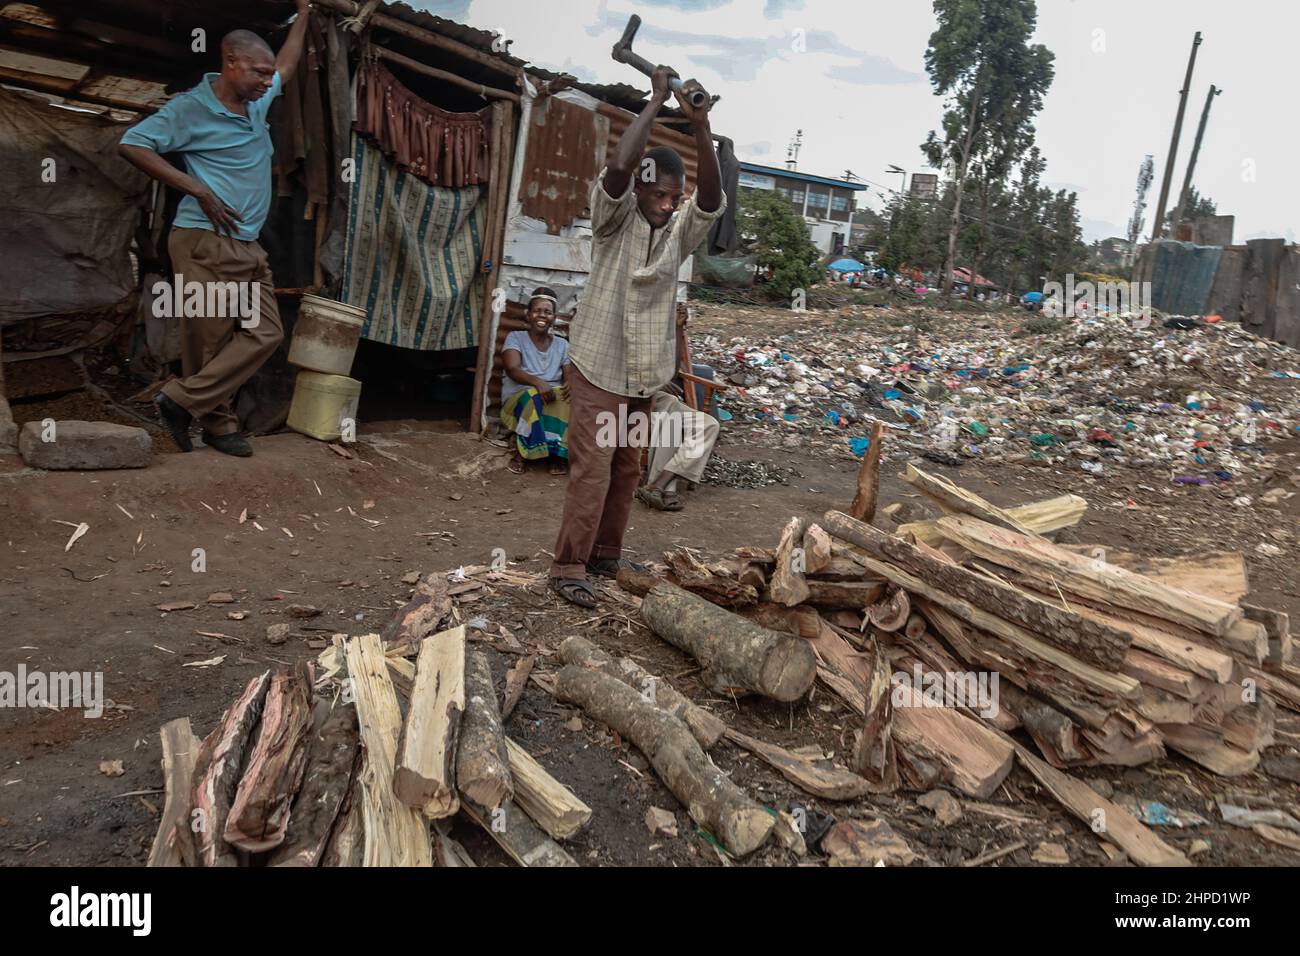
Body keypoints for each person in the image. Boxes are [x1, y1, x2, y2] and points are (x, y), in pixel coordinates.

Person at [548, 66, 725, 608]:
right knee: (594, 469)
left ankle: (605, 554)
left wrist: (701, 126)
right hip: (600, 367)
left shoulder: (678, 230)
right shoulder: (614, 217)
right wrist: (654, 102)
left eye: (676, 197)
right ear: (645, 185)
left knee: (627, 468)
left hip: (643, 374)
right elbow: (619, 166)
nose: (670, 205)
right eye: (664, 194)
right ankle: (567, 566)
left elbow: (712, 201)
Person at [118, 3, 310, 457]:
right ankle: (219, 428)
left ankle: (180, 400)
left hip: (245, 244)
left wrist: (304, 13)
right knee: (209, 339)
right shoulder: (191, 108)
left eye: (267, 75)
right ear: (230, 63)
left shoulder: (255, 103)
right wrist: (198, 189)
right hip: (203, 238)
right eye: (258, 73)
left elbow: (288, 61)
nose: (268, 81)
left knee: (266, 332)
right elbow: (132, 144)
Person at [500, 287, 571, 476]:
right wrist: (538, 383)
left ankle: (557, 454)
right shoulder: (515, 338)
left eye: (547, 312)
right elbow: (512, 368)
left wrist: (571, 385)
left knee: (567, 399)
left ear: (554, 317)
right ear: (528, 314)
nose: (542, 315)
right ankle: (521, 453)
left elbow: (568, 374)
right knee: (533, 399)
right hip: (519, 397)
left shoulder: (562, 344)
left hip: (551, 395)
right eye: (537, 310)